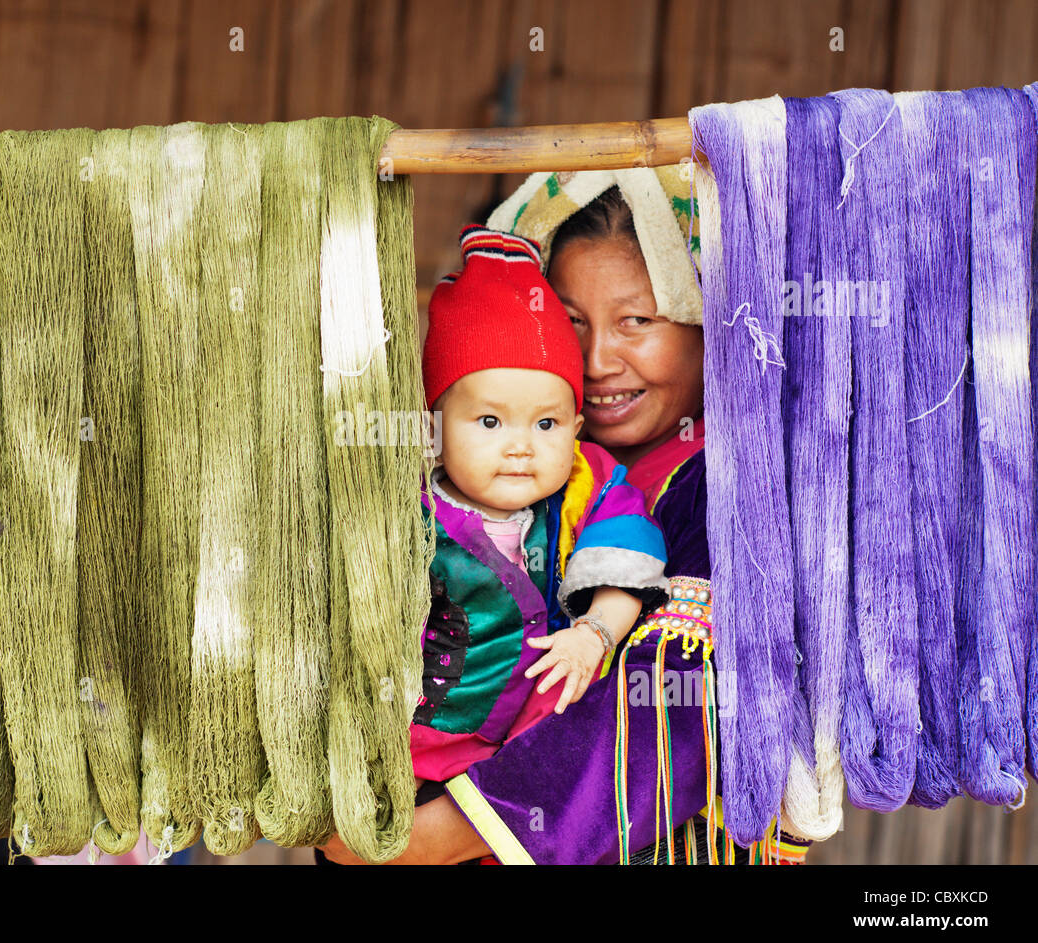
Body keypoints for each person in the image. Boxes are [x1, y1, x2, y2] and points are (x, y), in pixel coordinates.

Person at [321, 166, 812, 865]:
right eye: (570, 322)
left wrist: (436, 836)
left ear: (706, 319)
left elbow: (674, 707)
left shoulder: (730, 483)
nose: (596, 359)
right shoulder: (515, 480)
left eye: (636, 321)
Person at [410, 225, 669, 787]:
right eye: (488, 421)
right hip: (417, 745)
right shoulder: (407, 512)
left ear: (576, 430)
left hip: (532, 753)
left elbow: (628, 557)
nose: (520, 445)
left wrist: (593, 634)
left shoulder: (584, 483)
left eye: (547, 423)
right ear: (433, 429)